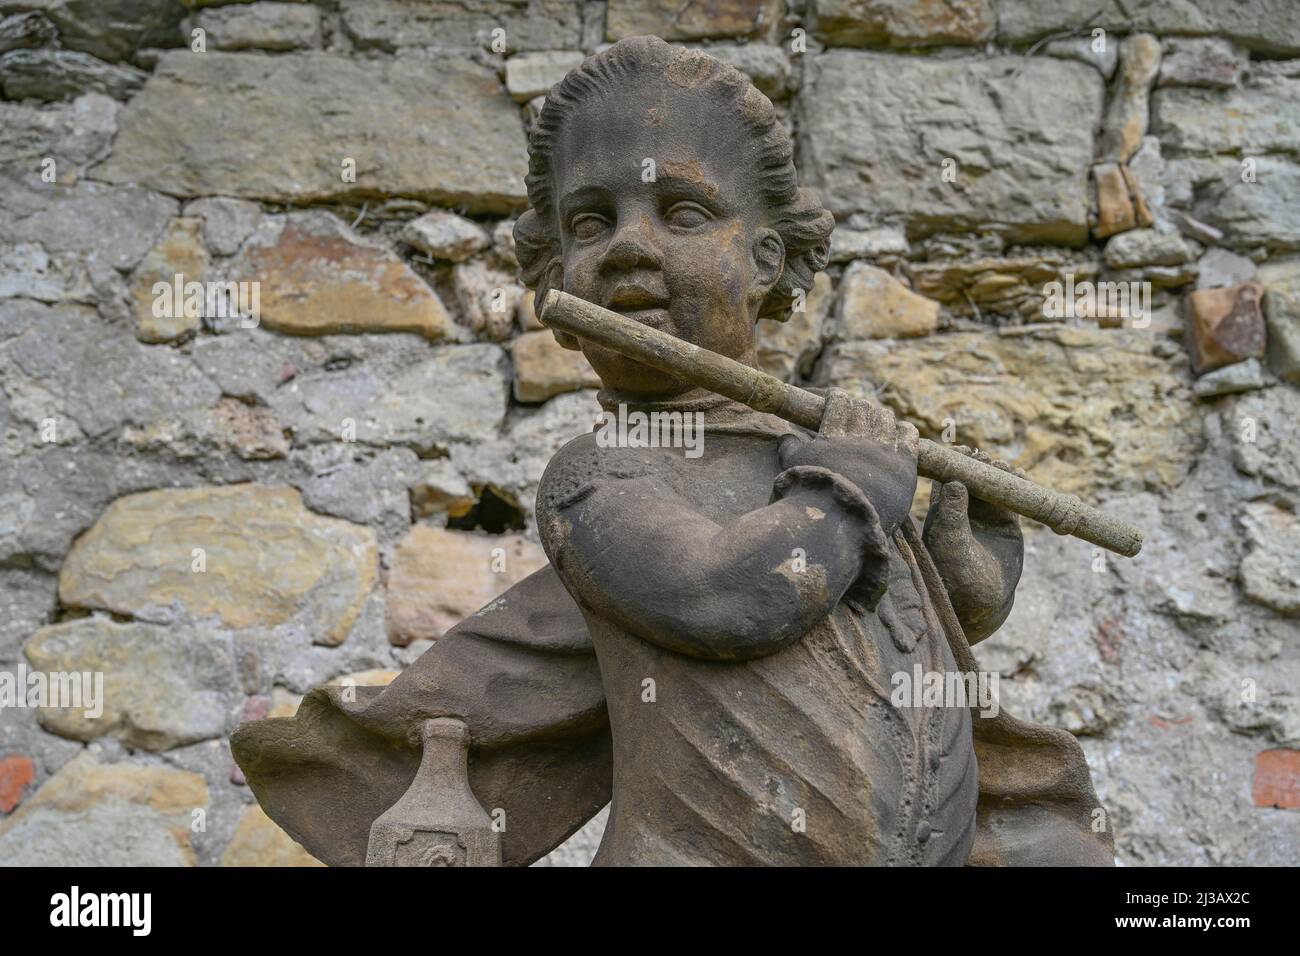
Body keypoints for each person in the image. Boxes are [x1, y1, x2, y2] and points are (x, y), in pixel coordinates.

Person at [232, 36, 1112, 867]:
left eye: (683, 211)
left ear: (769, 258)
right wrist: (856, 491)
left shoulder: (812, 465)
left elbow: (853, 632)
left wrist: (961, 594)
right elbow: (730, 597)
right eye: (589, 222)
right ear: (553, 276)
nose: (629, 246)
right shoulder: (604, 477)